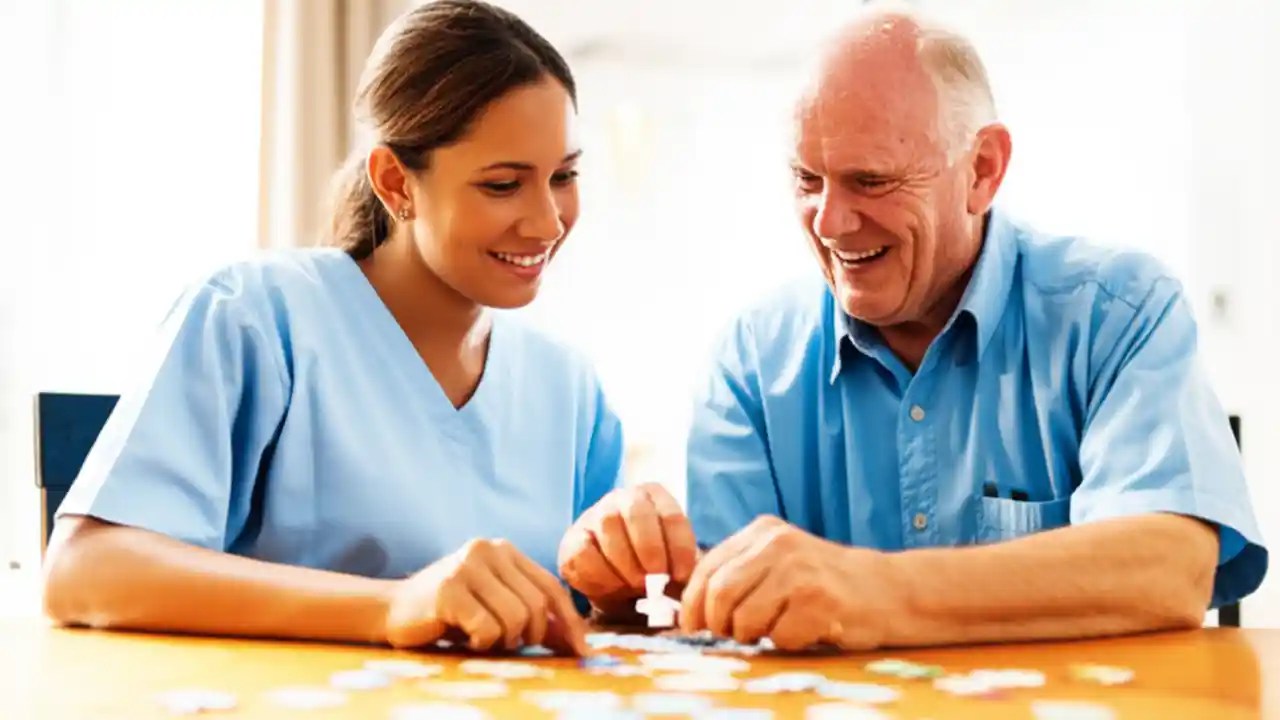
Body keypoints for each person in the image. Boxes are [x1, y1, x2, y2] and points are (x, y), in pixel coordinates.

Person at [560, 5, 1267, 649]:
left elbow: (1170, 569)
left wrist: (867, 589)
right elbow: (722, 620)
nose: (831, 224)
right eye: (807, 180)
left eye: (871, 181)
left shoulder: (1120, 310)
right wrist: (629, 593)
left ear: (982, 170)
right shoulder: (751, 359)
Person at [43, 0, 618, 655]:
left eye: (564, 176)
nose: (547, 222)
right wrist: (393, 605)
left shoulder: (568, 386)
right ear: (396, 183)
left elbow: (585, 612)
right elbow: (82, 571)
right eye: (502, 185)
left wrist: (624, 589)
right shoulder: (255, 316)